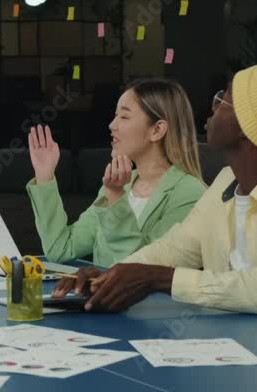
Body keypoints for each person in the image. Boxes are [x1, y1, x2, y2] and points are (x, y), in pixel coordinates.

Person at [53, 66, 257, 321]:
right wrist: (111, 276)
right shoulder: (226, 182)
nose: (213, 105)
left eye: (224, 100)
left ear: (248, 126)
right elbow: (175, 248)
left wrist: (160, 279)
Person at [27, 78, 206, 267]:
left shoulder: (189, 193)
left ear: (157, 130)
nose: (112, 125)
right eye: (115, 116)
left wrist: (115, 197)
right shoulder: (121, 184)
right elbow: (61, 248)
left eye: (124, 117)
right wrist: (45, 176)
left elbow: (141, 270)